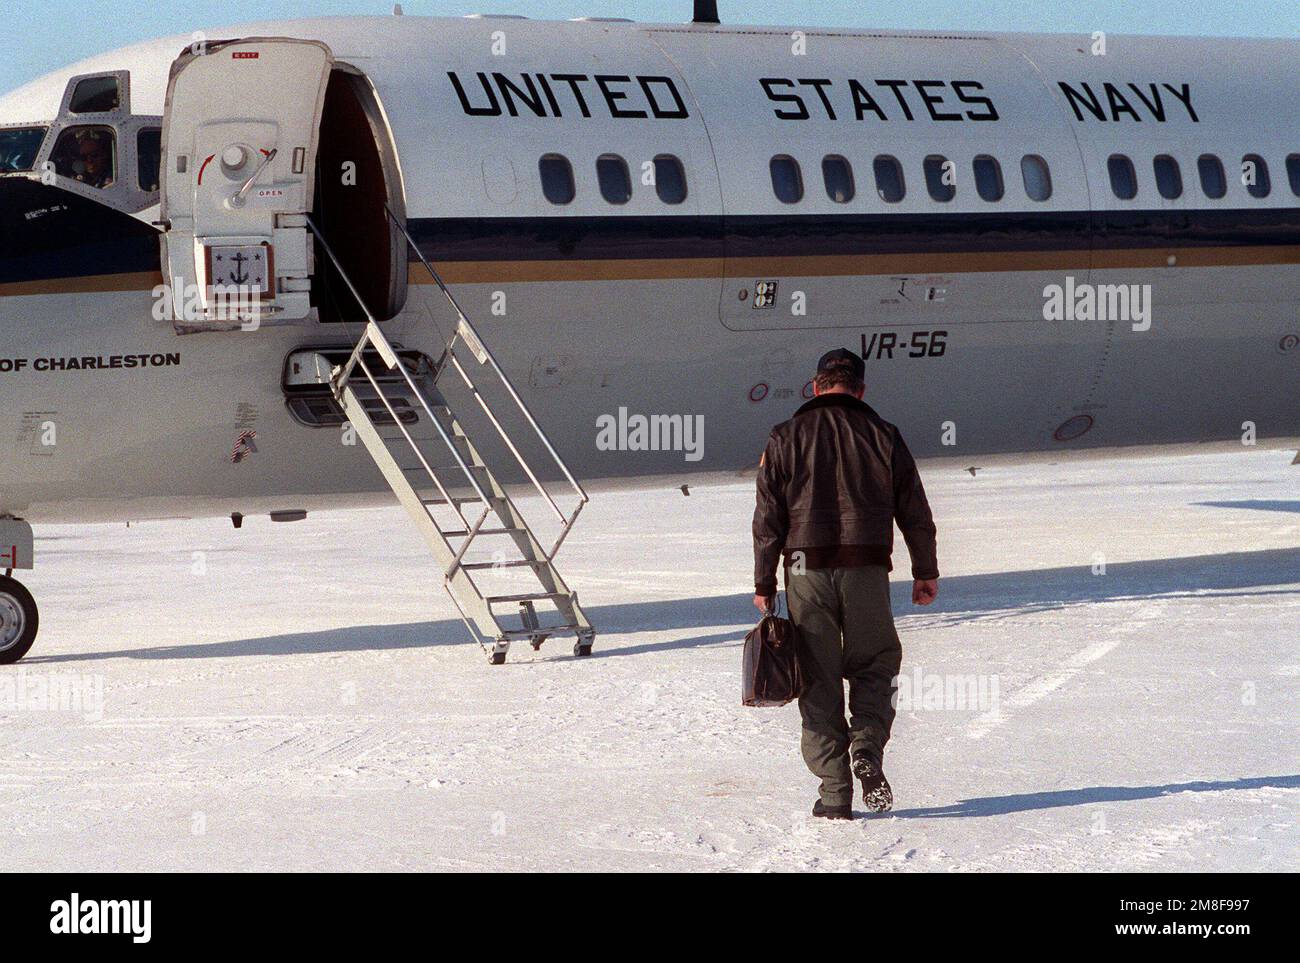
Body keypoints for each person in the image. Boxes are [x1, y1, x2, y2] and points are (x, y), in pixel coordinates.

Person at [752, 348, 939, 820]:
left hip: (802, 569)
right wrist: (925, 571)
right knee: (876, 662)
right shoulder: (884, 435)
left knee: (816, 676)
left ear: (815, 386)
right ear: (860, 389)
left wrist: (764, 580)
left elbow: (768, 519)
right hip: (867, 568)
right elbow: (915, 512)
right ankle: (868, 747)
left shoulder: (784, 437)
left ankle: (834, 794)